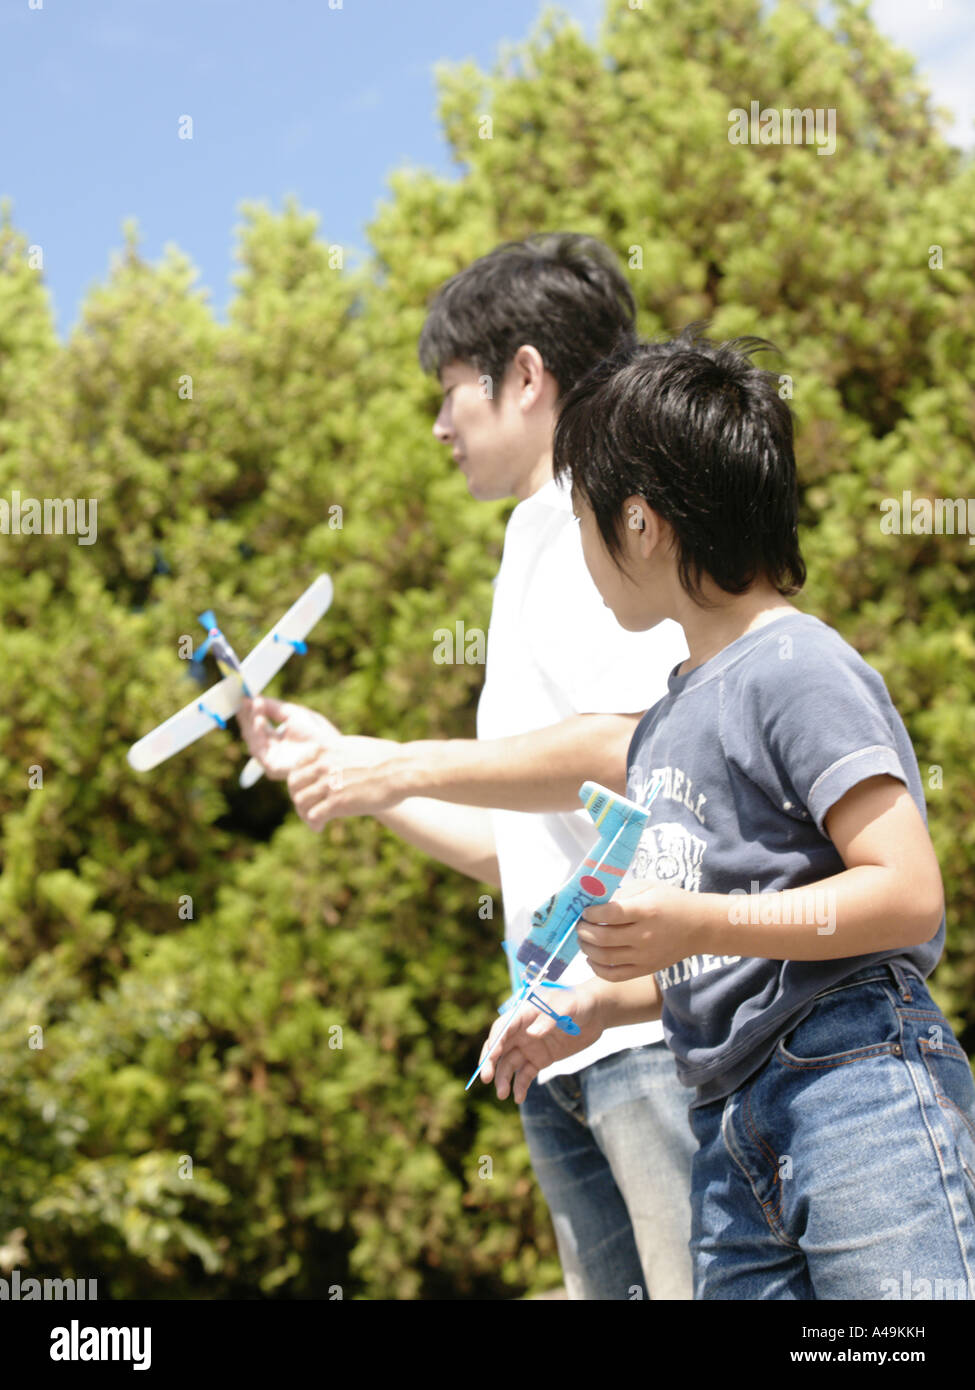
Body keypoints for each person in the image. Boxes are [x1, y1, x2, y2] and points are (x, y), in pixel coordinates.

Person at [237, 235, 695, 1300]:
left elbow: (644, 752)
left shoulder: (598, 525)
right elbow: (529, 850)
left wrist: (393, 765)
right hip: (565, 1054)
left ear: (526, 377)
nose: (440, 425)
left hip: (649, 1038)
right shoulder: (527, 546)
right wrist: (353, 775)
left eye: (452, 392)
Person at [478, 328, 975, 1300]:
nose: (584, 553)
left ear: (639, 525)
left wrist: (696, 922)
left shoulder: (799, 666)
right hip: (726, 1121)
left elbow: (906, 895)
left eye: (584, 519)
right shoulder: (664, 721)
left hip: (852, 1083)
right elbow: (725, 959)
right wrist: (600, 1005)